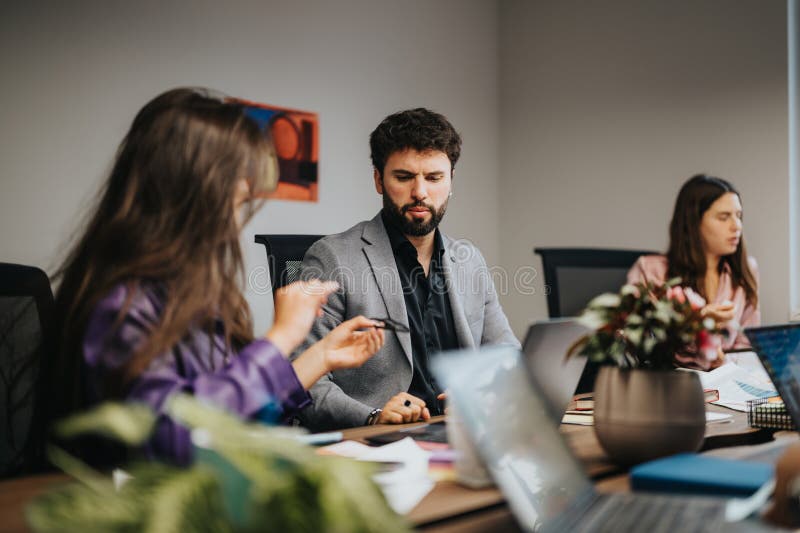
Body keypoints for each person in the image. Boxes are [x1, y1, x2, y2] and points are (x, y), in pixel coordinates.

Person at [45, 88, 384, 464]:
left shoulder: (194, 293)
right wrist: (280, 338)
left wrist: (321, 355)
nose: (237, 222)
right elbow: (173, 439)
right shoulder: (119, 305)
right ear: (191, 197)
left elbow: (236, 411)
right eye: (237, 202)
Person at [295, 107, 519, 431]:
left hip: (463, 432)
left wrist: (480, 394)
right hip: (378, 442)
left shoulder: (469, 260)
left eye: (434, 177)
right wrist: (373, 416)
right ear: (378, 180)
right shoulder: (332, 259)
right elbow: (303, 382)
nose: (420, 193)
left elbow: (506, 357)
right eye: (404, 177)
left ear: (451, 180)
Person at [627, 174, 760, 370]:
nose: (737, 226)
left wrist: (724, 363)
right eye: (724, 217)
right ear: (694, 222)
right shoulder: (651, 270)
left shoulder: (745, 270)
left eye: (738, 216)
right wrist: (694, 325)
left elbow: (747, 347)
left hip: (726, 385)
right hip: (670, 384)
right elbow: (637, 346)